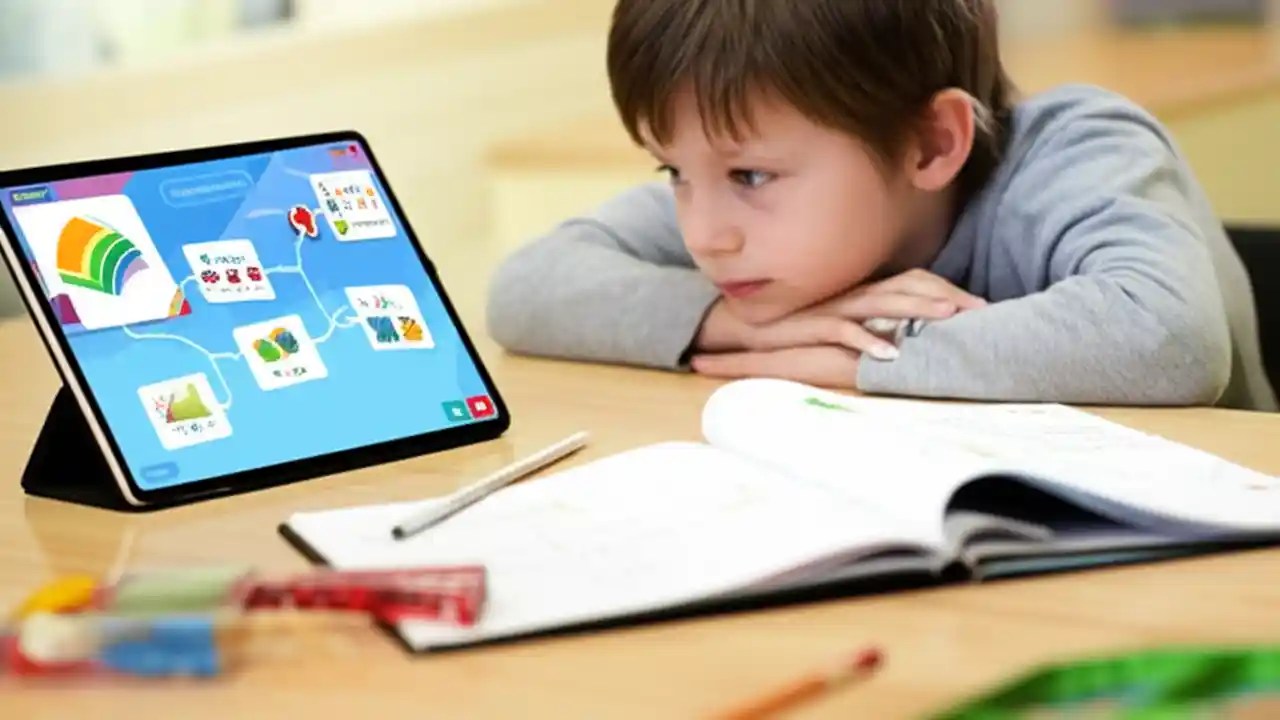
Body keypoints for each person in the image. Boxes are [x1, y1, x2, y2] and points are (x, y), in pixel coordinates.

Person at [485, 0, 1277, 411]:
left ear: (932, 143)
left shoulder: (1080, 150)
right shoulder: (757, 219)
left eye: (751, 177)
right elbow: (525, 287)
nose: (704, 235)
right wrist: (741, 324)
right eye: (672, 174)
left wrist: (863, 355)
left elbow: (1170, 338)